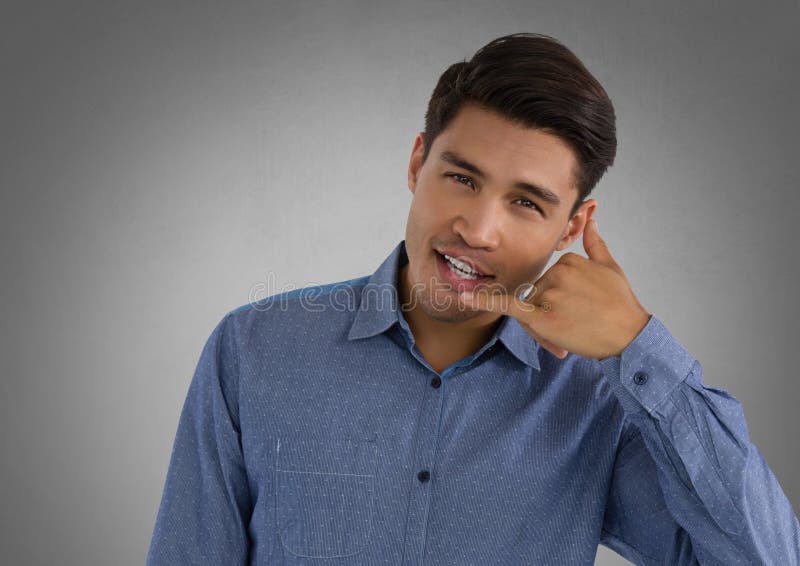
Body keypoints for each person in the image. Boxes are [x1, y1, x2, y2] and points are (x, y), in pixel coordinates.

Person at [147, 33, 800, 565]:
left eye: (526, 202)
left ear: (572, 226)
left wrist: (639, 342)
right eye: (462, 178)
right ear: (416, 163)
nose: (478, 230)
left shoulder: (599, 398)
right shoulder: (253, 349)